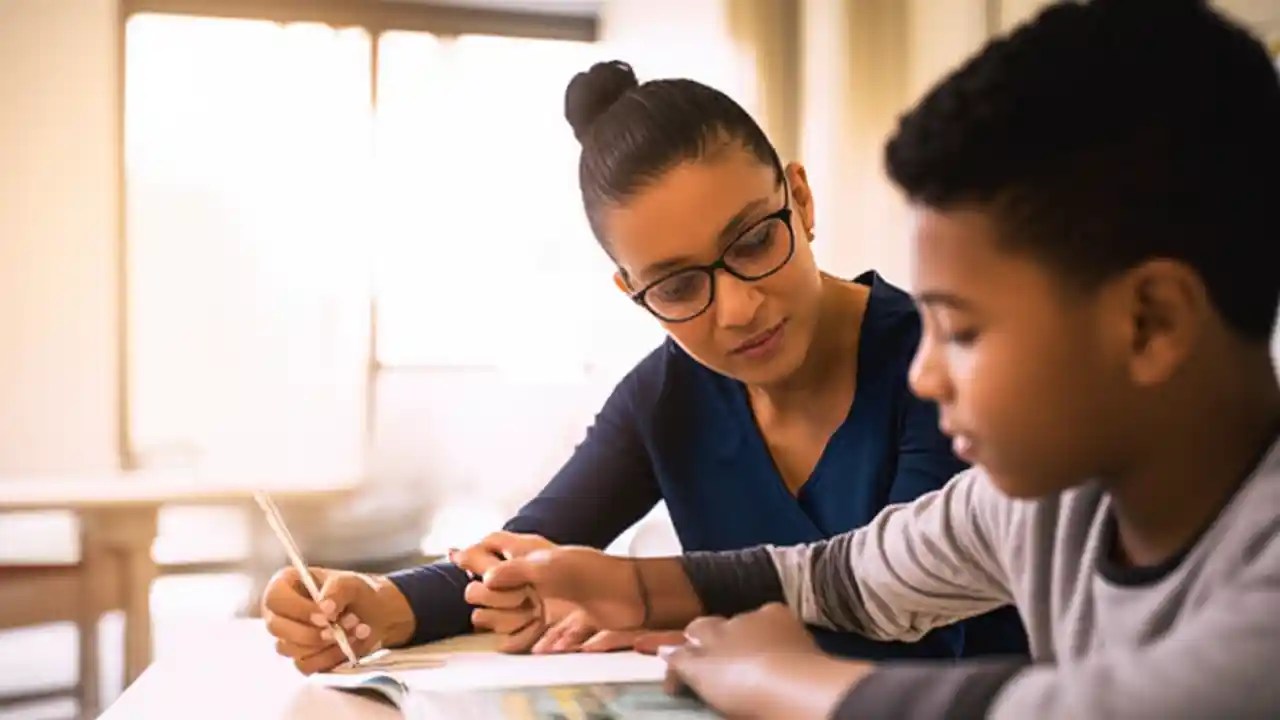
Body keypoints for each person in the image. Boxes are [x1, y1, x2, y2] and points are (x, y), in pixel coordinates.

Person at [481, 0, 1280, 717]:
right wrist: (635, 586)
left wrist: (781, 680)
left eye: (962, 332)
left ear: (1148, 324)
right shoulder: (1051, 506)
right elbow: (849, 575)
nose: (926, 374)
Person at [259, 61, 1027, 673]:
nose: (737, 309)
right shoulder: (667, 396)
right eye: (680, 286)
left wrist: (651, 607)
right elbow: (535, 551)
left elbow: (900, 608)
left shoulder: (939, 365)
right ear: (633, 294)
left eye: (755, 242)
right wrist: (377, 604)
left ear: (800, 198)